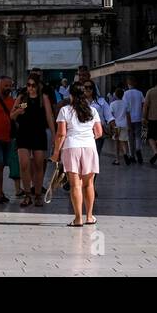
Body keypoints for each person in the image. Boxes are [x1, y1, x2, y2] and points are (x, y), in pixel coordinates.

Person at [51, 85, 102, 226]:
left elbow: (61, 134)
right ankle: (90, 217)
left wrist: (56, 153)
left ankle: (78, 218)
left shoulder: (65, 110)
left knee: (75, 185)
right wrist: (86, 136)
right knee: (89, 184)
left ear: (71, 96)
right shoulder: (93, 110)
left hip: (71, 147)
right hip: (89, 147)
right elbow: (99, 133)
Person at [10, 76, 55, 206]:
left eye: (33, 85)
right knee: (24, 164)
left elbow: (49, 116)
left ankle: (38, 194)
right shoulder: (23, 98)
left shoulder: (43, 99)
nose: (30, 88)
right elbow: (12, 115)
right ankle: (27, 194)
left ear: (38, 86)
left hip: (38, 134)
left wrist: (54, 136)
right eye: (28, 85)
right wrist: (19, 111)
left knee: (39, 164)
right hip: (23, 134)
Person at [122, 76, 145, 163]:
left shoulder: (125, 94)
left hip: (129, 118)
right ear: (135, 83)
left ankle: (132, 155)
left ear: (128, 84)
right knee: (138, 136)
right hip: (138, 118)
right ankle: (138, 149)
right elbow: (143, 105)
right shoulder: (140, 93)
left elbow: (125, 107)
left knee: (130, 137)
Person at [109, 87, 131, 164]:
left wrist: (111, 127)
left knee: (116, 142)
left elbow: (111, 115)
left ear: (115, 94)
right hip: (124, 124)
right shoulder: (125, 103)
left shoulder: (112, 104)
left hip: (116, 125)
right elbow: (128, 115)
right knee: (123, 141)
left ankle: (117, 160)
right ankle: (125, 153)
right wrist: (129, 125)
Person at [92, 87, 113, 155]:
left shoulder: (101, 101)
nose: (88, 89)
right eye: (86, 87)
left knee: (96, 153)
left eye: (90, 87)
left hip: (99, 130)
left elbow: (109, 116)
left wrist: (113, 126)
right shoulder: (80, 101)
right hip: (84, 132)